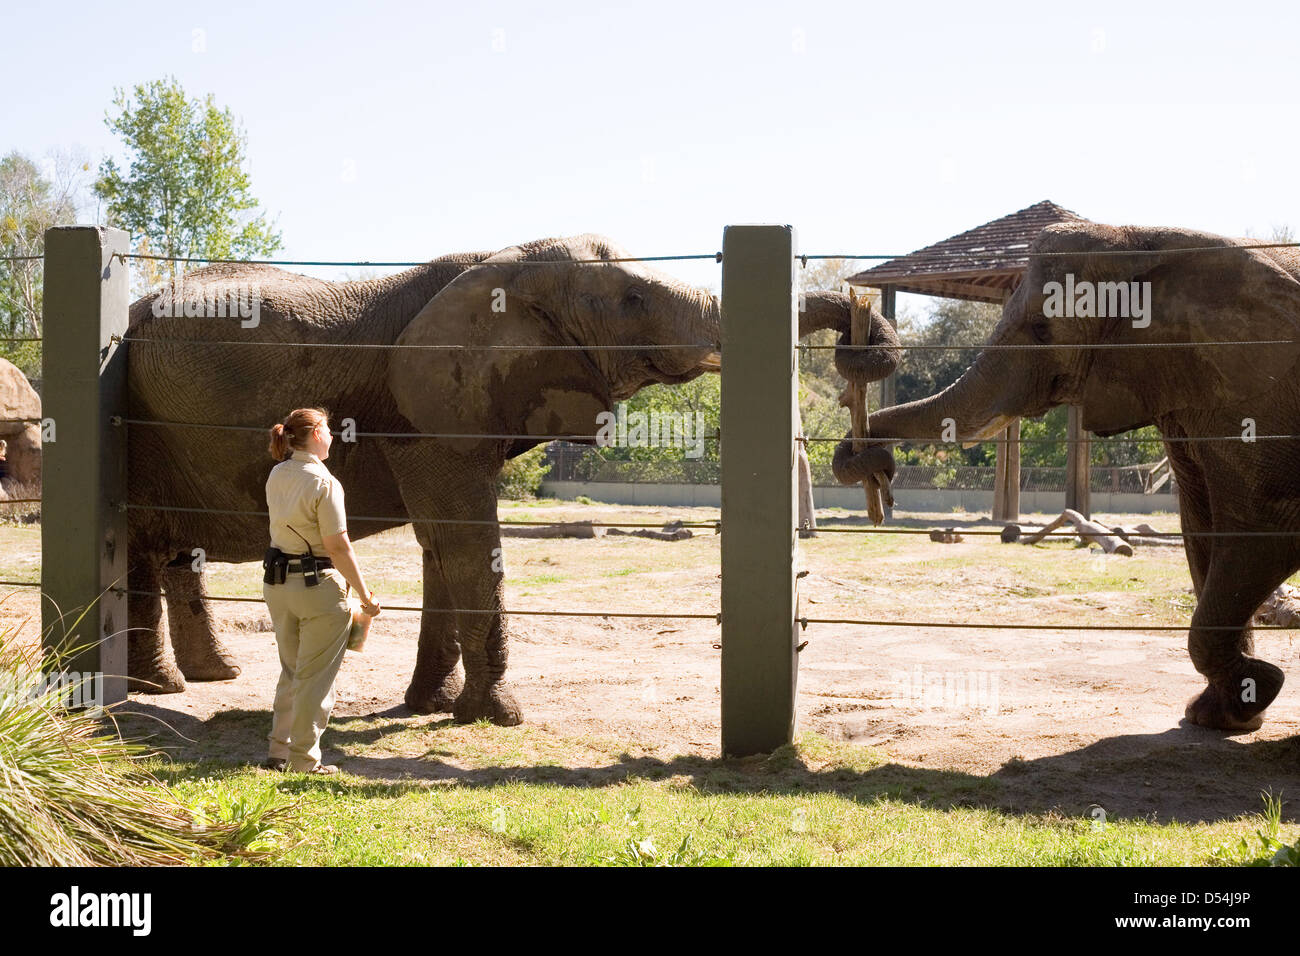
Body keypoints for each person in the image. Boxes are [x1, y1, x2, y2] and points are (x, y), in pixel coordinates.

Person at [262, 407, 380, 774]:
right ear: (315, 434)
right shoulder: (325, 483)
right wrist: (365, 595)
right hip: (318, 588)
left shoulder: (277, 474)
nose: (333, 435)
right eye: (328, 429)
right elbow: (338, 545)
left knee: (291, 670)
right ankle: (304, 760)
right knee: (315, 678)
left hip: (278, 583)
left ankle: (278, 751)